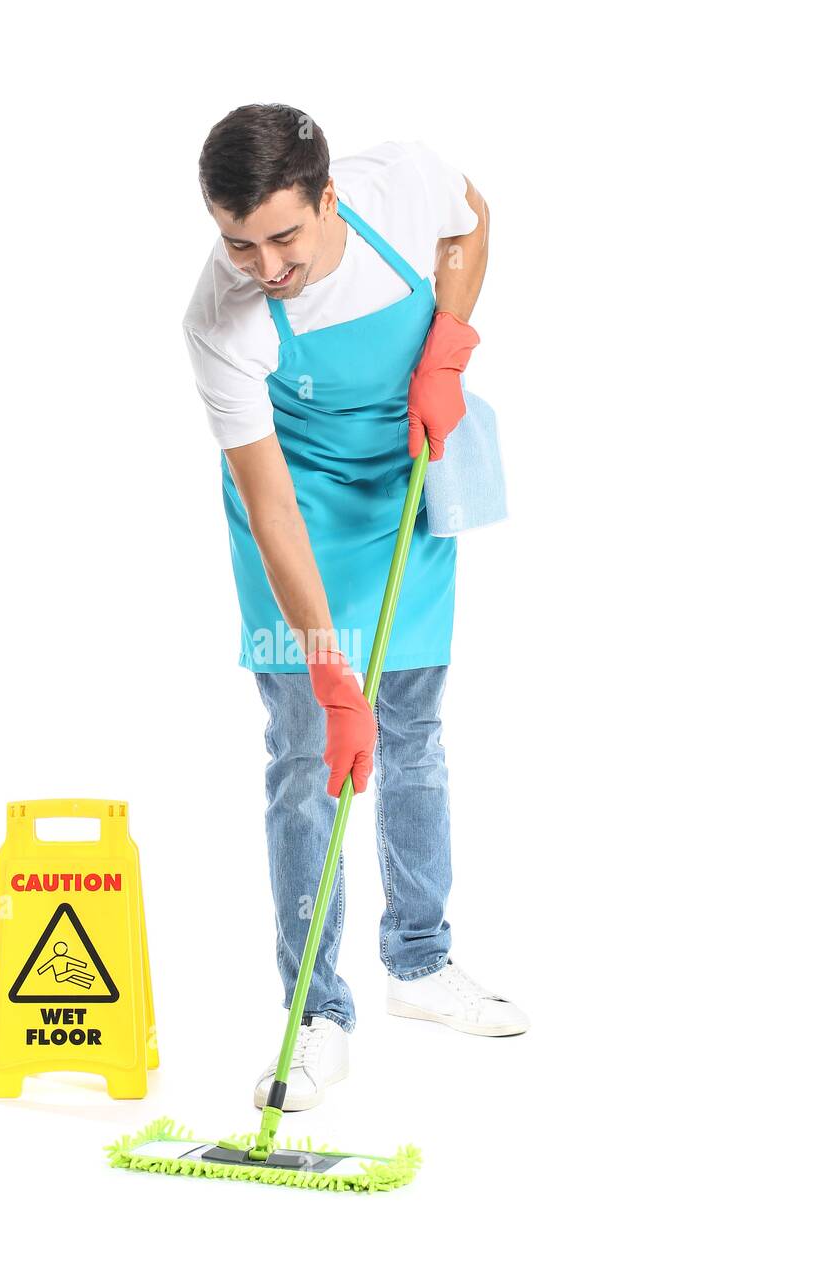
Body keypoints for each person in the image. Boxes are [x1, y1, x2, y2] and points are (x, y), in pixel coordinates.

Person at [184, 105, 528, 1112]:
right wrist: (330, 674)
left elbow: (470, 226)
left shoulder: (398, 183)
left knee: (413, 726)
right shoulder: (220, 321)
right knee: (306, 748)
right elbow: (272, 506)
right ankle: (316, 1012)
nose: (265, 266)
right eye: (237, 242)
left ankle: (417, 963)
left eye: (283, 237)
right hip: (292, 516)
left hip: (400, 486)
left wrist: (446, 351)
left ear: (329, 198)